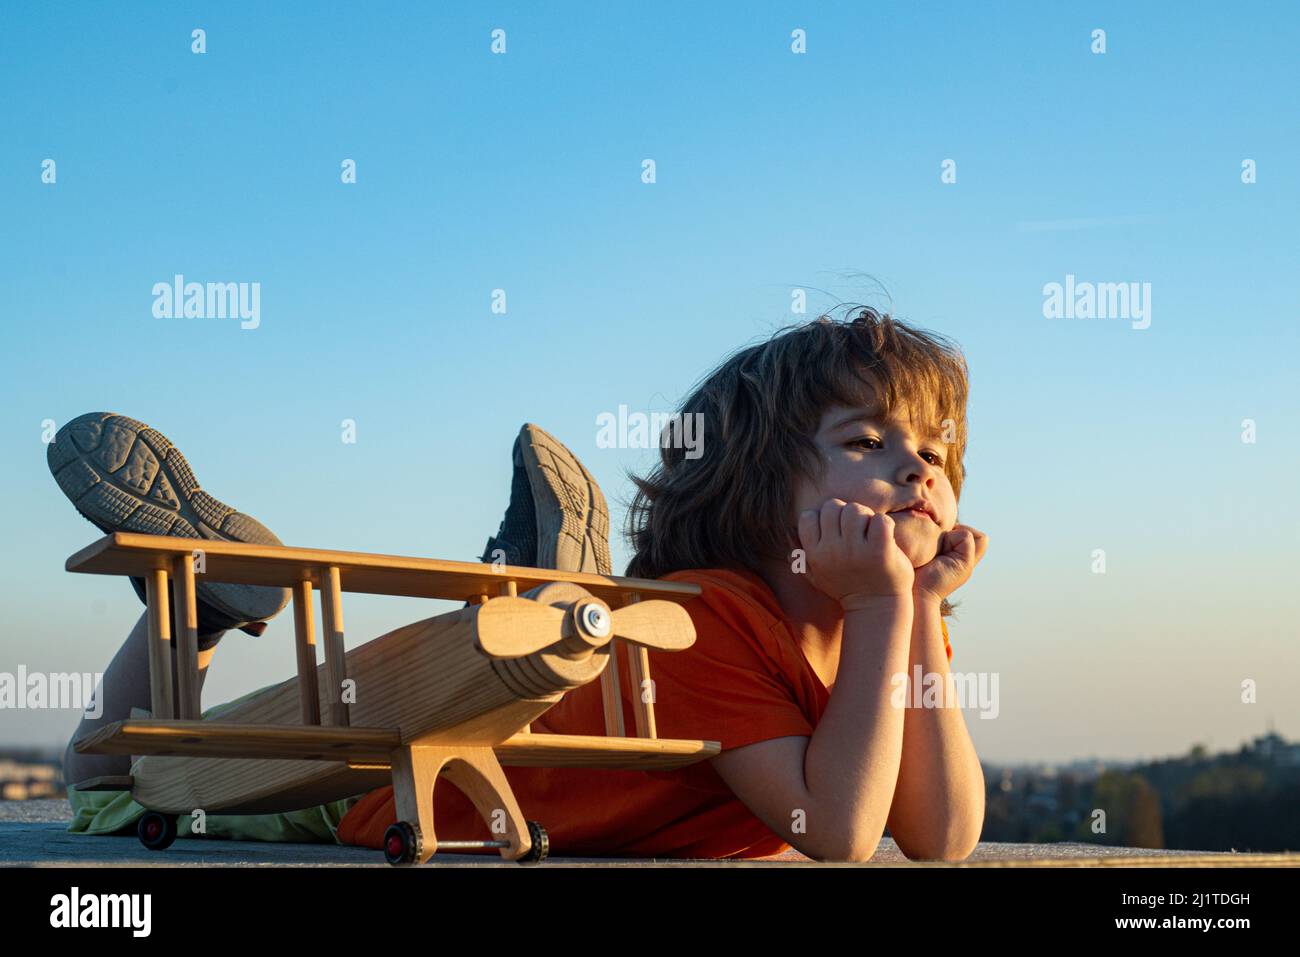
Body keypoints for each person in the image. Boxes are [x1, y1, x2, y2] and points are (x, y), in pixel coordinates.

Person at [58, 305, 989, 861]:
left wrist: (917, 610)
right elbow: (834, 828)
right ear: (754, 486)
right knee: (111, 785)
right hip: (367, 773)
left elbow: (941, 833)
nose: (920, 471)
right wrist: (881, 604)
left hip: (469, 733)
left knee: (546, 650)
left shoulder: (881, 629)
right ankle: (197, 605)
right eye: (868, 442)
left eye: (936, 450)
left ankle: (527, 601)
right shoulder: (712, 619)